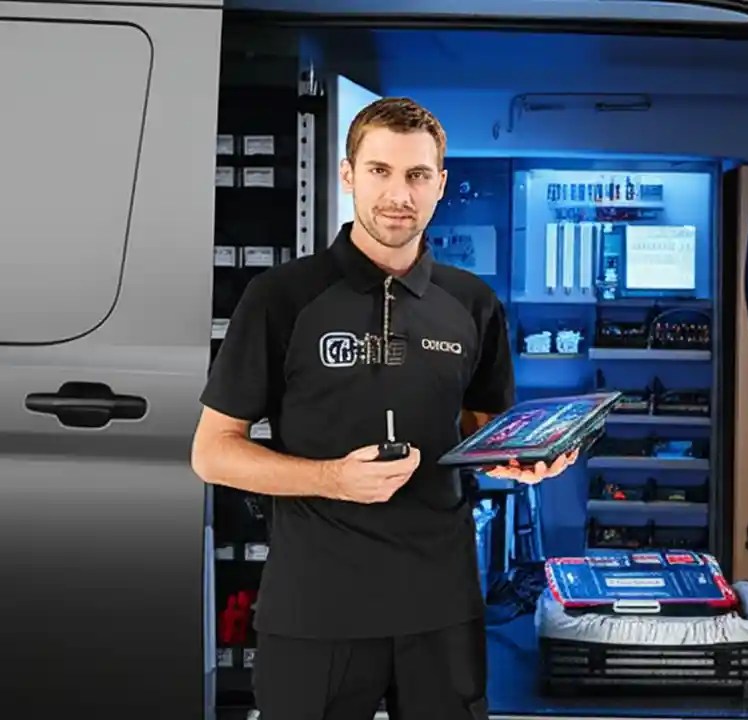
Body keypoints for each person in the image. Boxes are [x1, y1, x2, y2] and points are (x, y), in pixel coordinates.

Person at [190, 97, 578, 720]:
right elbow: (212, 453)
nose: (399, 194)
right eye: (380, 172)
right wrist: (331, 479)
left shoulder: (473, 302)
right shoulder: (281, 297)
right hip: (316, 605)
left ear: (441, 184)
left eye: (418, 176)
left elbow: (484, 434)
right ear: (347, 175)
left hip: (441, 607)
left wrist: (525, 458)